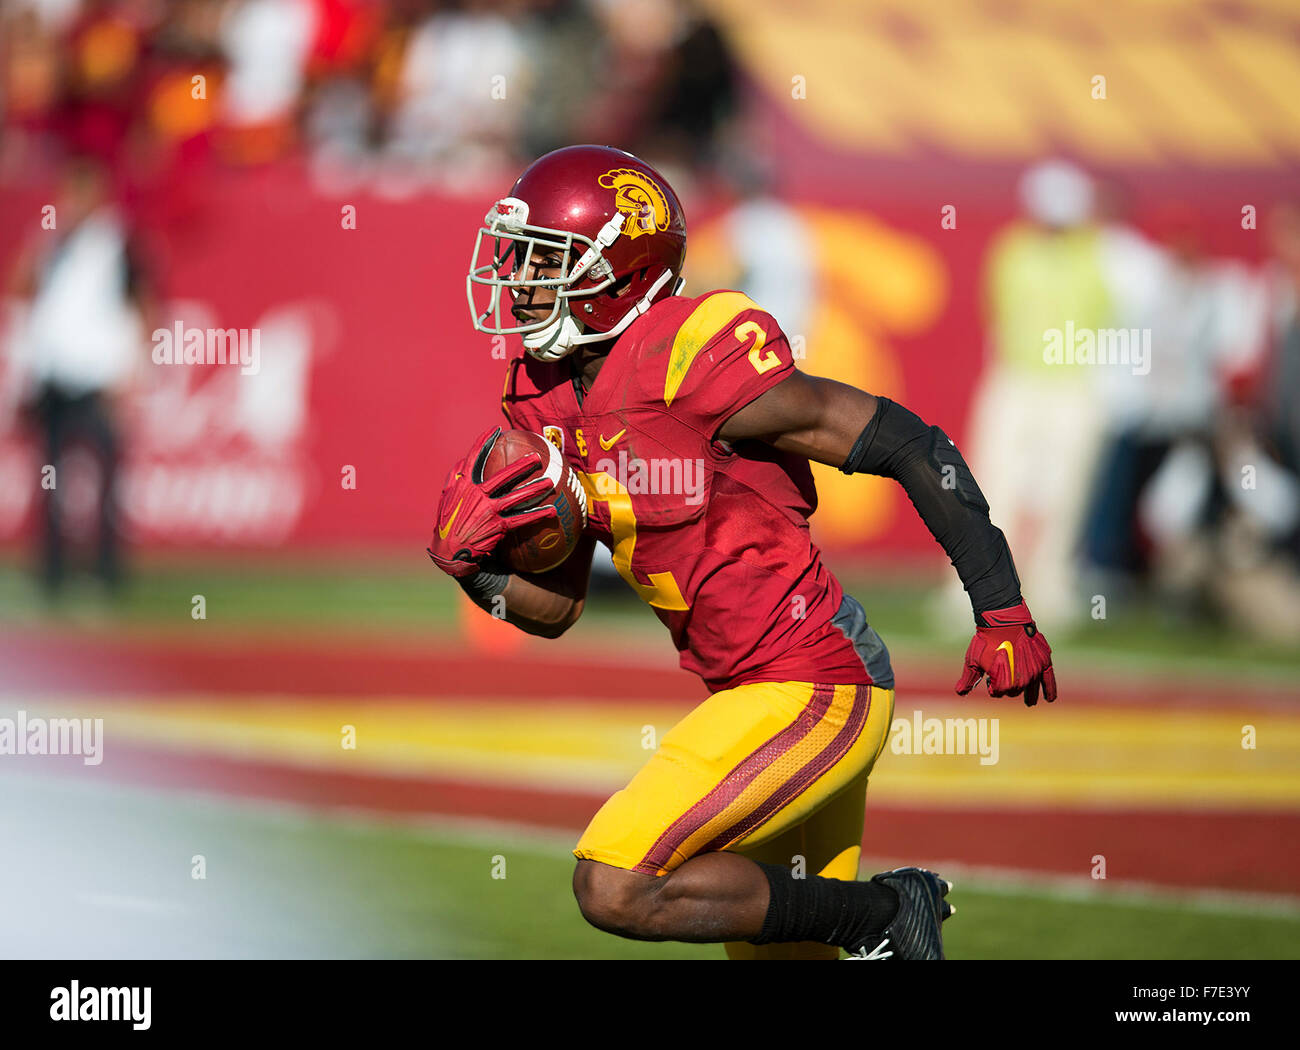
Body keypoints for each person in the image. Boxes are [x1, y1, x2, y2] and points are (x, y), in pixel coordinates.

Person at [429, 145, 1057, 960]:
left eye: (546, 260)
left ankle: (886, 915)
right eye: (518, 257)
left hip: (817, 682)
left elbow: (909, 441)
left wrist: (1000, 605)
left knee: (616, 882)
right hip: (747, 694)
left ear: (619, 269)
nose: (518, 280)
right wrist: (478, 571)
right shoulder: (539, 395)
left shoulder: (689, 351)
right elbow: (557, 611)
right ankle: (878, 923)